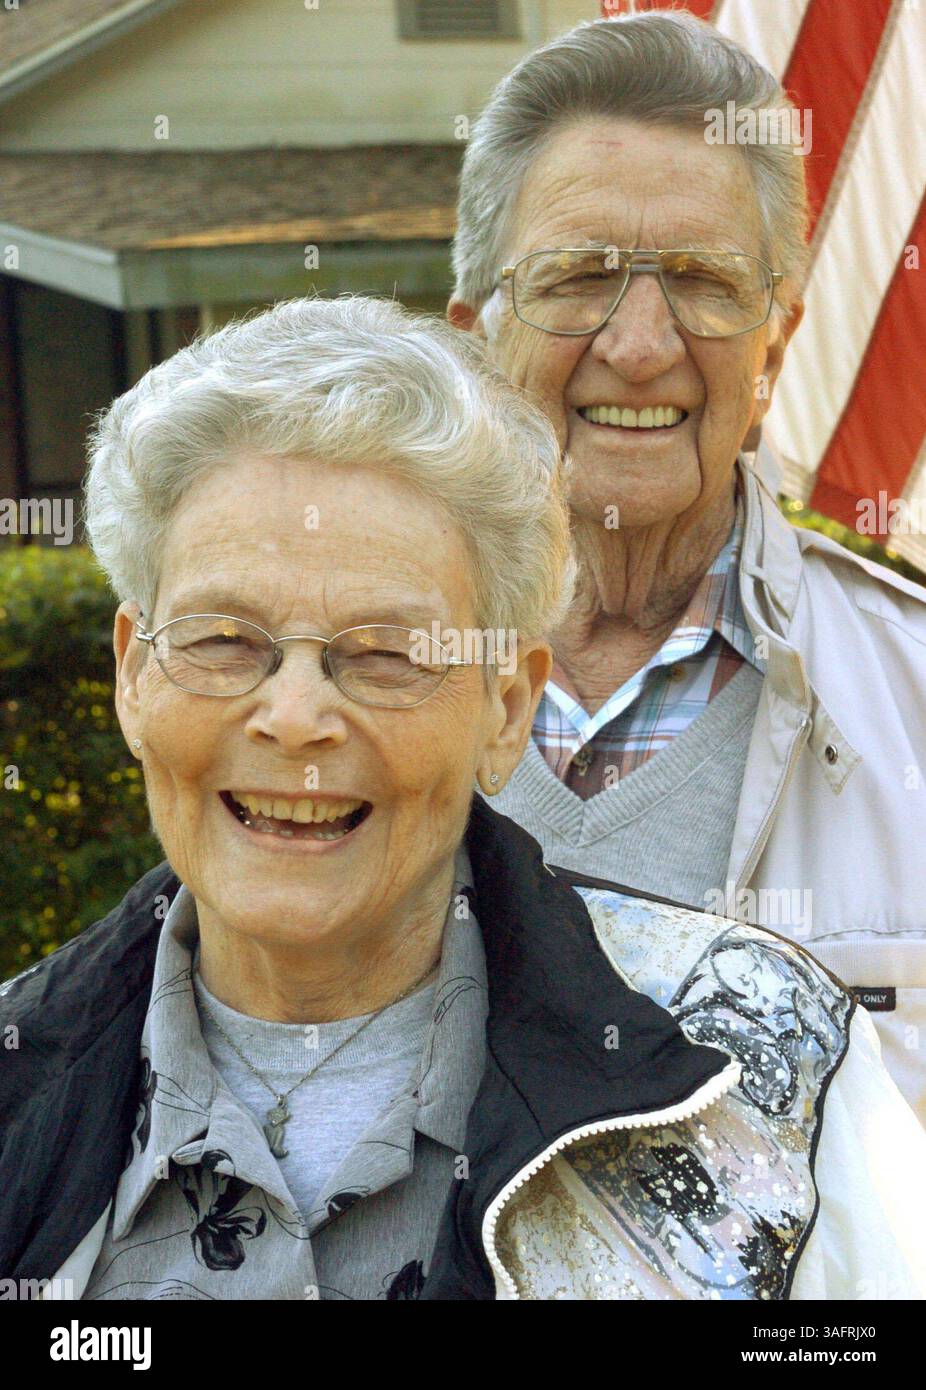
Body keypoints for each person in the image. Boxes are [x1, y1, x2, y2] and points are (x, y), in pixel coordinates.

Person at [1, 296, 924, 1301]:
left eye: (386, 653)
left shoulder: (770, 1069)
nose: (296, 716)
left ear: (505, 706)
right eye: (224, 641)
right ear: (135, 677)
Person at [448, 9, 926, 1128]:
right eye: (579, 275)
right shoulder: (348, 685)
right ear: (478, 331)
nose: (640, 344)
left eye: (704, 282)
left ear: (776, 340)